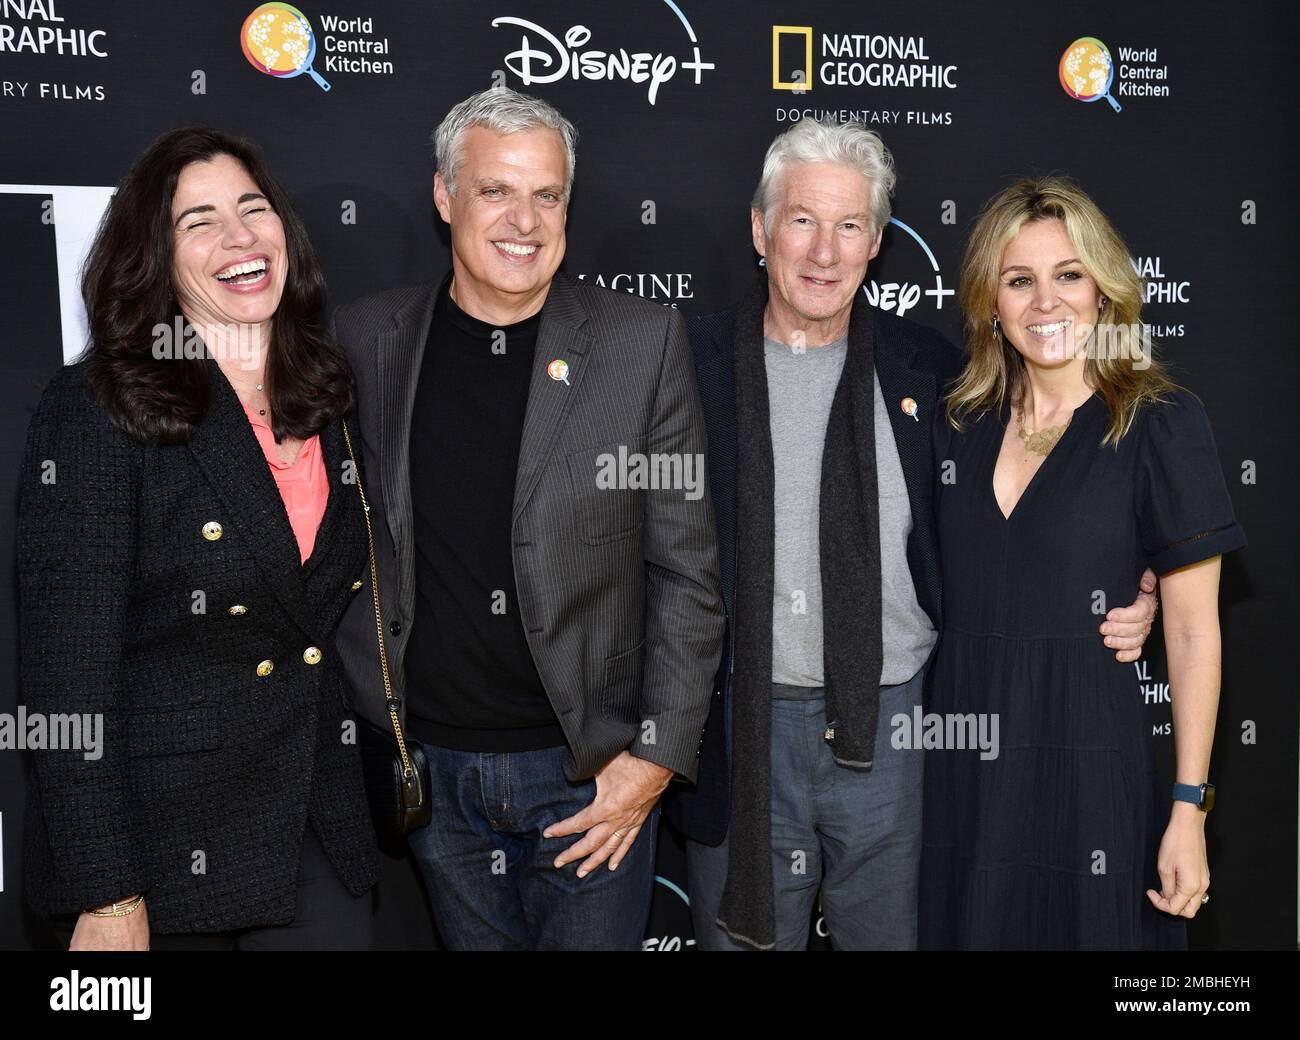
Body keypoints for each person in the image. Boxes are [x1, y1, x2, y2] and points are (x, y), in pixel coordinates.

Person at [666, 118, 1158, 951]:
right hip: (740, 731)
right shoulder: (687, 362)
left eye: (850, 225)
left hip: (900, 731)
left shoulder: (933, 374)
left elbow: (1039, 500)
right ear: (760, 229)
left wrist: (1138, 582)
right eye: (802, 220)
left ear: (876, 244)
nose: (824, 250)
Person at [330, 87, 723, 951]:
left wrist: (652, 760)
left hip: (589, 775)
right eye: (495, 191)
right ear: (444, 196)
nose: (525, 220)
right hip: (433, 772)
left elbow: (688, 571)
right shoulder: (367, 339)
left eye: (547, 195)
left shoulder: (639, 342)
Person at [17, 126, 379, 950]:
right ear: (156, 256)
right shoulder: (98, 408)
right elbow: (68, 685)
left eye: (254, 209)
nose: (240, 237)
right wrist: (108, 894)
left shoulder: (330, 391)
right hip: (157, 845)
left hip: (313, 825)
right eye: (200, 221)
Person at [919, 177, 1246, 949]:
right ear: (987, 301)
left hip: (1088, 768)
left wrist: (1189, 810)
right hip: (958, 773)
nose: (1046, 302)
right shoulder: (953, 424)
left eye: (1069, 274)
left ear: (1104, 290)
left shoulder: (1161, 423)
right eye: (1019, 280)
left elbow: (1197, 637)